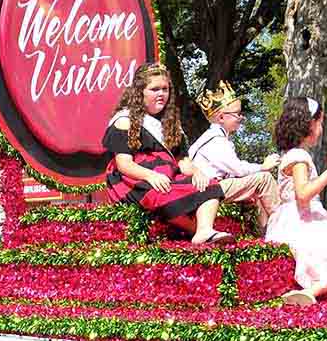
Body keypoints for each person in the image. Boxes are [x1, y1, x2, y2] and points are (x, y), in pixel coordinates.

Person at [102, 62, 231, 244]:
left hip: (168, 175)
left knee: (210, 185)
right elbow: (124, 164)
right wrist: (150, 175)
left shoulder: (170, 123)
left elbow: (182, 161)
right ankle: (198, 232)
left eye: (165, 89)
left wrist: (197, 172)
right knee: (162, 194)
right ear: (140, 92)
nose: (161, 94)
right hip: (136, 180)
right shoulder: (125, 120)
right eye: (155, 89)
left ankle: (204, 230)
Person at [266, 96, 327, 306]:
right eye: (320, 122)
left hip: (299, 218)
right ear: (309, 123)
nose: (321, 128)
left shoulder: (294, 154)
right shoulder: (299, 156)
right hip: (300, 222)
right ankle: (313, 290)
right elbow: (303, 195)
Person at [188, 80, 280, 231]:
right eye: (237, 114)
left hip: (215, 186)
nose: (241, 118)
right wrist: (263, 166)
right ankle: (284, 223)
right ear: (222, 118)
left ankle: (267, 230)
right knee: (264, 178)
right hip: (210, 188)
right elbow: (237, 169)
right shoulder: (215, 140)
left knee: (256, 185)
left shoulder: (215, 137)